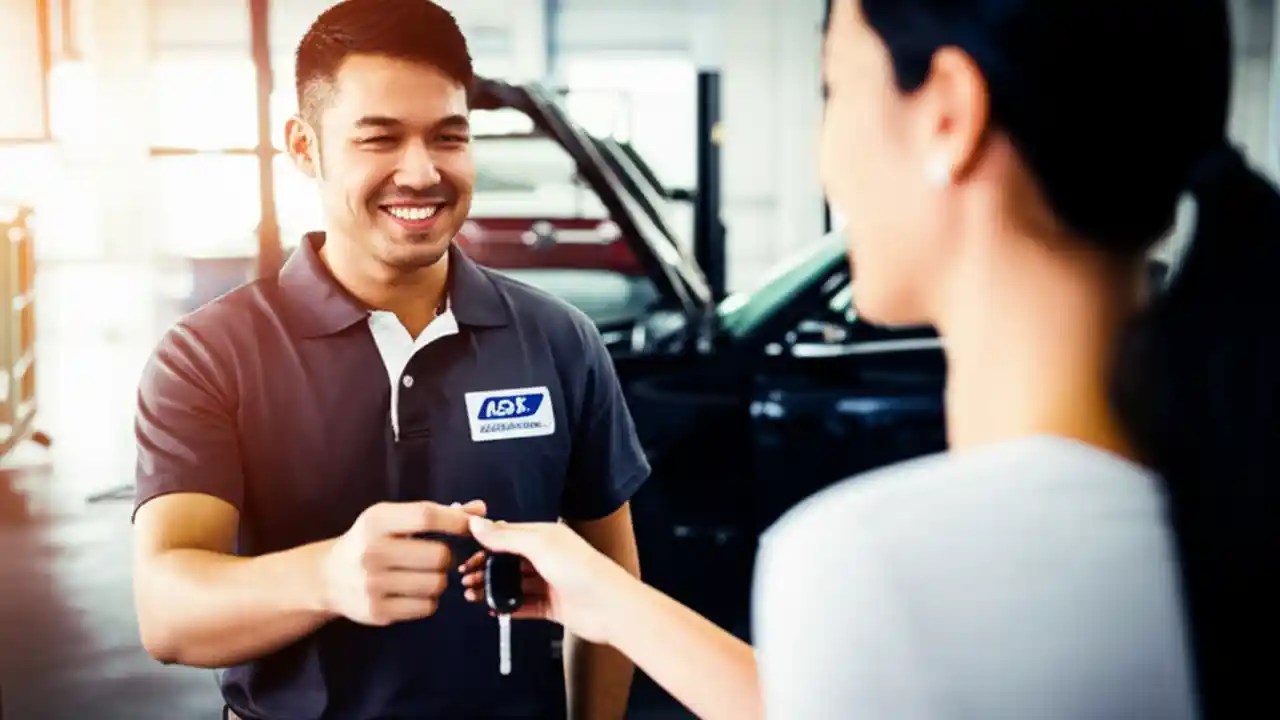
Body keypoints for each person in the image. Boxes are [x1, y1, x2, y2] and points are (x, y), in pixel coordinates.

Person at [462, 0, 1280, 717]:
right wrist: (609, 600)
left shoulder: (872, 564)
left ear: (947, 116)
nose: (829, 149)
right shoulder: (1224, 508)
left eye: (834, 88)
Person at [130, 1, 649, 718]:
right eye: (379, 139)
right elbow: (167, 613)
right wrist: (328, 579)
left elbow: (612, 581)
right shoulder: (210, 356)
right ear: (305, 148)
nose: (421, 171)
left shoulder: (559, 340)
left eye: (448, 137)